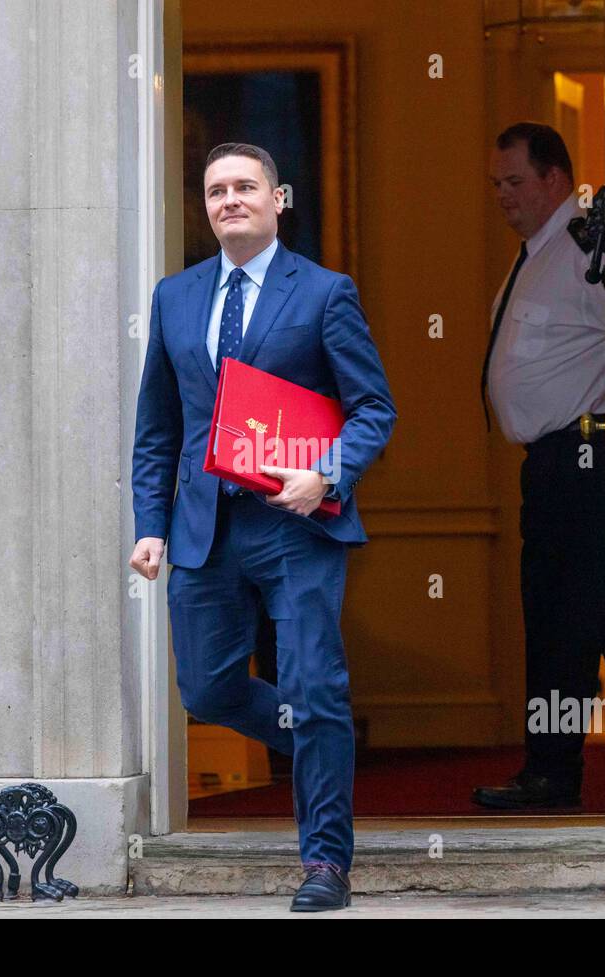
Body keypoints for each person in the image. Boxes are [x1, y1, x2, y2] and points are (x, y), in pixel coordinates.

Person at [129, 142, 397, 910]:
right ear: (205, 206)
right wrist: (151, 524)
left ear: (278, 200)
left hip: (296, 525)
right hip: (204, 526)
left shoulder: (324, 292)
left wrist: (331, 473)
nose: (230, 199)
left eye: (246, 186)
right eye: (216, 190)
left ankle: (324, 866)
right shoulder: (174, 298)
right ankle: (323, 737)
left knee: (316, 685)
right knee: (207, 690)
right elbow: (158, 426)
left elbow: (375, 406)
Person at [472, 122, 605, 810]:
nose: (503, 196)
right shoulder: (537, 253)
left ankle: (577, 770)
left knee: (586, 618)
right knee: (552, 617)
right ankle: (549, 770)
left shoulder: (590, 248)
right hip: (551, 467)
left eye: (515, 181)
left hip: (590, 461)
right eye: (496, 185)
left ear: (555, 178)